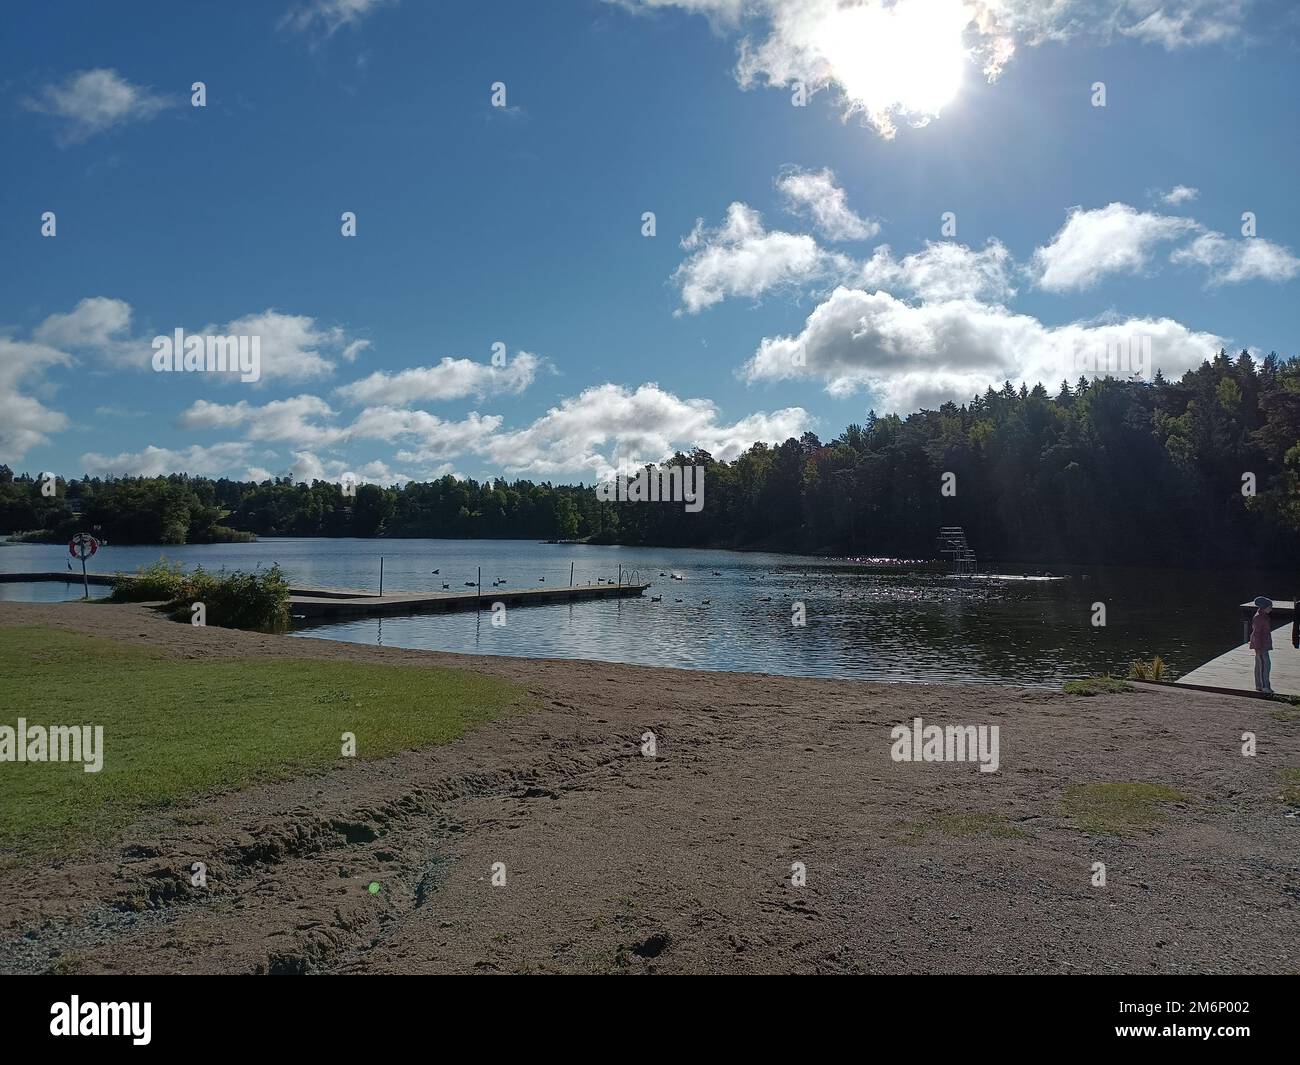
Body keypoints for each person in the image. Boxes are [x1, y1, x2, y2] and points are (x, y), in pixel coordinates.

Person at [1249, 596, 1274, 694]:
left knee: (1260, 664)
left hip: (1263, 645)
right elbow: (1256, 633)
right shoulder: (1259, 618)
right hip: (1261, 646)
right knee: (1265, 665)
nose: (1271, 609)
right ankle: (1265, 687)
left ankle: (1259, 685)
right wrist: (1258, 648)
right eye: (1270, 607)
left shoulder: (1263, 616)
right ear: (1265, 607)